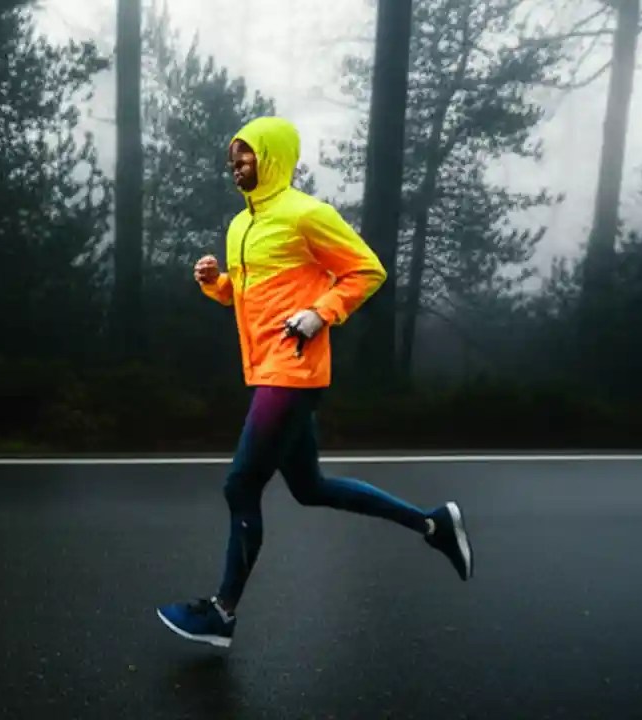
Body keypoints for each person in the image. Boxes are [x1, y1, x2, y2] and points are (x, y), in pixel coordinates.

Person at [155, 116, 473, 649]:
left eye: (246, 154)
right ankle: (434, 525)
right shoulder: (240, 225)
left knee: (240, 485)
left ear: (272, 157)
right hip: (267, 370)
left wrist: (322, 313)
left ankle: (222, 613)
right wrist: (216, 284)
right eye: (232, 156)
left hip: (295, 371)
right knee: (311, 489)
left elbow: (367, 270)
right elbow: (246, 294)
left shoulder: (308, 215)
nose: (235, 164)